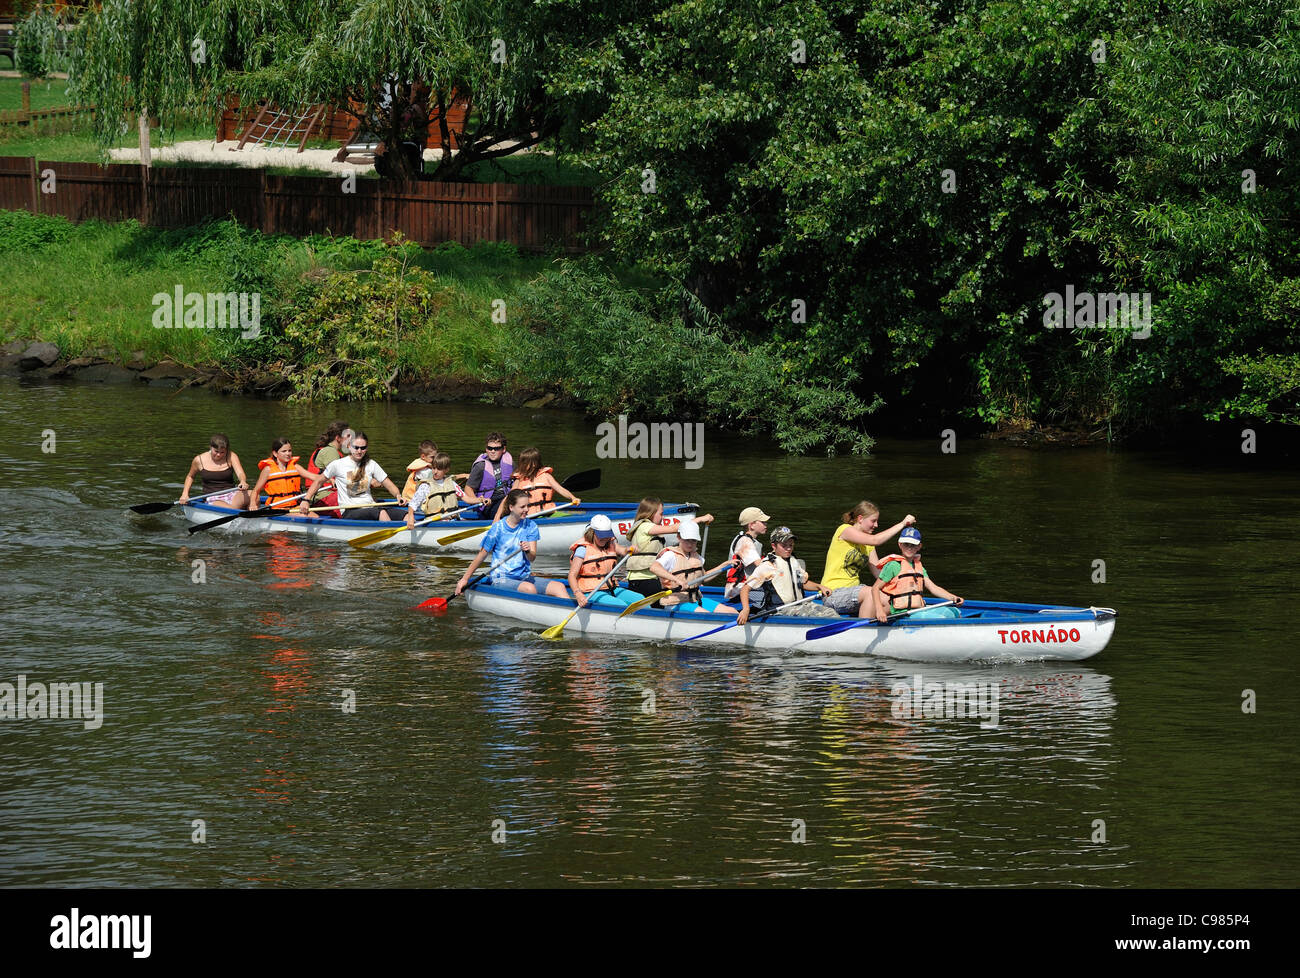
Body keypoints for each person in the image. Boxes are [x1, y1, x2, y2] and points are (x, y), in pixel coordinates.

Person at [455, 489, 569, 597]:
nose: (526, 509)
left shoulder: (531, 526)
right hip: (501, 578)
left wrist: (527, 550)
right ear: (511, 507)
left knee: (559, 587)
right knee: (529, 589)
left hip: (523, 577)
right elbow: (482, 555)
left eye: (527, 506)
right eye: (522, 507)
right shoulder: (497, 528)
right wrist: (465, 579)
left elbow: (532, 558)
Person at [822, 501, 917, 618]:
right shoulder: (844, 530)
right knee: (869, 592)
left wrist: (905, 574)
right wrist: (902, 524)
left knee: (892, 600)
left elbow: (879, 574)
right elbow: (875, 540)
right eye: (873, 521)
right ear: (860, 519)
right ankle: (863, 631)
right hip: (832, 593)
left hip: (854, 594)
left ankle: (872, 623)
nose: (876, 525)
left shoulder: (868, 545)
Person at [736, 527, 835, 623]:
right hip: (781, 610)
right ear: (774, 546)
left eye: (791, 545)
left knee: (830, 612)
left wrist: (819, 586)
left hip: (800, 604)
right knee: (812, 614)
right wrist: (746, 609)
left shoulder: (794, 561)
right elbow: (745, 589)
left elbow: (802, 583)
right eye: (784, 545)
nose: (788, 549)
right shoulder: (768, 565)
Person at [297, 432, 404, 521]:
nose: (359, 451)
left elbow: (388, 484)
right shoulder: (338, 465)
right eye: (356, 447)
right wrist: (306, 500)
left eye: (363, 448)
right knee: (381, 512)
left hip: (370, 507)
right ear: (348, 446)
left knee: (406, 515)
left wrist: (398, 496)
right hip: (350, 511)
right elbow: (318, 481)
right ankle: (389, 542)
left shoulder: (371, 464)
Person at [623, 497, 716, 597]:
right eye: (661, 514)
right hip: (642, 580)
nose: (662, 517)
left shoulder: (653, 530)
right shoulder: (644, 526)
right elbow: (674, 528)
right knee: (679, 594)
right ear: (651, 513)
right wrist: (701, 519)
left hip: (654, 578)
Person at [872, 526, 964, 622]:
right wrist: (880, 611)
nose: (909, 548)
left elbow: (933, 588)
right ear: (900, 544)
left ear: (919, 547)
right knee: (941, 619)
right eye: (906, 544)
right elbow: (875, 588)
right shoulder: (894, 565)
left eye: (913, 545)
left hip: (918, 610)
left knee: (954, 612)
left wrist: (953, 597)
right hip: (902, 613)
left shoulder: (918, 566)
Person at [649, 520, 738, 615]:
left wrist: (725, 565)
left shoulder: (697, 557)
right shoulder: (670, 555)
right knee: (706, 614)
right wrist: (677, 580)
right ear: (679, 537)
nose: (690, 544)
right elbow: (654, 567)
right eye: (687, 540)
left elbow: (704, 577)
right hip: (676, 602)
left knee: (733, 612)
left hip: (695, 599)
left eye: (693, 540)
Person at [567, 515, 639, 609]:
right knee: (621, 606)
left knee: (640, 599)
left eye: (607, 536)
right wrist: (578, 594)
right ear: (592, 533)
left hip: (611, 588)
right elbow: (572, 575)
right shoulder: (582, 549)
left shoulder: (611, 543)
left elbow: (623, 551)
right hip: (591, 592)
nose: (605, 539)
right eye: (601, 536)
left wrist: (629, 549)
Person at [493, 446, 580, 519]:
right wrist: (497, 517)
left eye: (525, 463)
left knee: (568, 517)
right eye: (522, 463)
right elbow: (507, 498)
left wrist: (573, 498)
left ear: (534, 464)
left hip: (549, 513)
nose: (522, 465)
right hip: (529, 516)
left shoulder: (546, 476)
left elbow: (561, 489)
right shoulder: (519, 480)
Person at [404, 452, 479, 527]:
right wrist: (411, 516)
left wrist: (480, 500)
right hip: (434, 523)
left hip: (454, 520)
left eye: (439, 469)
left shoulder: (452, 484)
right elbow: (413, 504)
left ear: (446, 470)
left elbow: (467, 499)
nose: (435, 472)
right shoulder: (425, 486)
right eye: (433, 468)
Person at [179, 434, 250, 509]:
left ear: (227, 450)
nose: (219, 455)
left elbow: (240, 473)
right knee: (230, 508)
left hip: (232, 494)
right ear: (210, 447)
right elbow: (190, 476)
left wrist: (242, 481)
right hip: (213, 498)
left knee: (253, 495)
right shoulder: (198, 460)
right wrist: (185, 494)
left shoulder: (231, 456)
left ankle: (252, 513)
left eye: (222, 452)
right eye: (216, 451)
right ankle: (238, 510)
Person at [248, 438, 316, 511]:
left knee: (315, 517)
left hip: (295, 507)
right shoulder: (268, 470)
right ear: (275, 453)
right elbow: (255, 491)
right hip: (277, 509)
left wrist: (328, 479)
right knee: (306, 517)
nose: (288, 454)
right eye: (284, 451)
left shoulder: (296, 467)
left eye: (289, 451)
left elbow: (314, 477)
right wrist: (252, 504)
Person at [723, 506, 770, 601]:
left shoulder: (751, 541)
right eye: (762, 522)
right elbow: (760, 566)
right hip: (738, 591)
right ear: (752, 525)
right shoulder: (745, 542)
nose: (766, 524)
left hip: (748, 589)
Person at [306, 421, 351, 515]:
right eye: (348, 436)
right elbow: (343, 477)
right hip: (322, 498)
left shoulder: (331, 451)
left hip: (327, 496)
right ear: (338, 438)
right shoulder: (330, 452)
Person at [465, 432, 513, 519]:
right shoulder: (480, 466)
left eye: (496, 448)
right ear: (486, 449)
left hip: (507, 498)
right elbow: (468, 489)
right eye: (489, 448)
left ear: (504, 449)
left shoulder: (510, 463)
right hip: (489, 503)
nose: (492, 451)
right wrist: (477, 501)